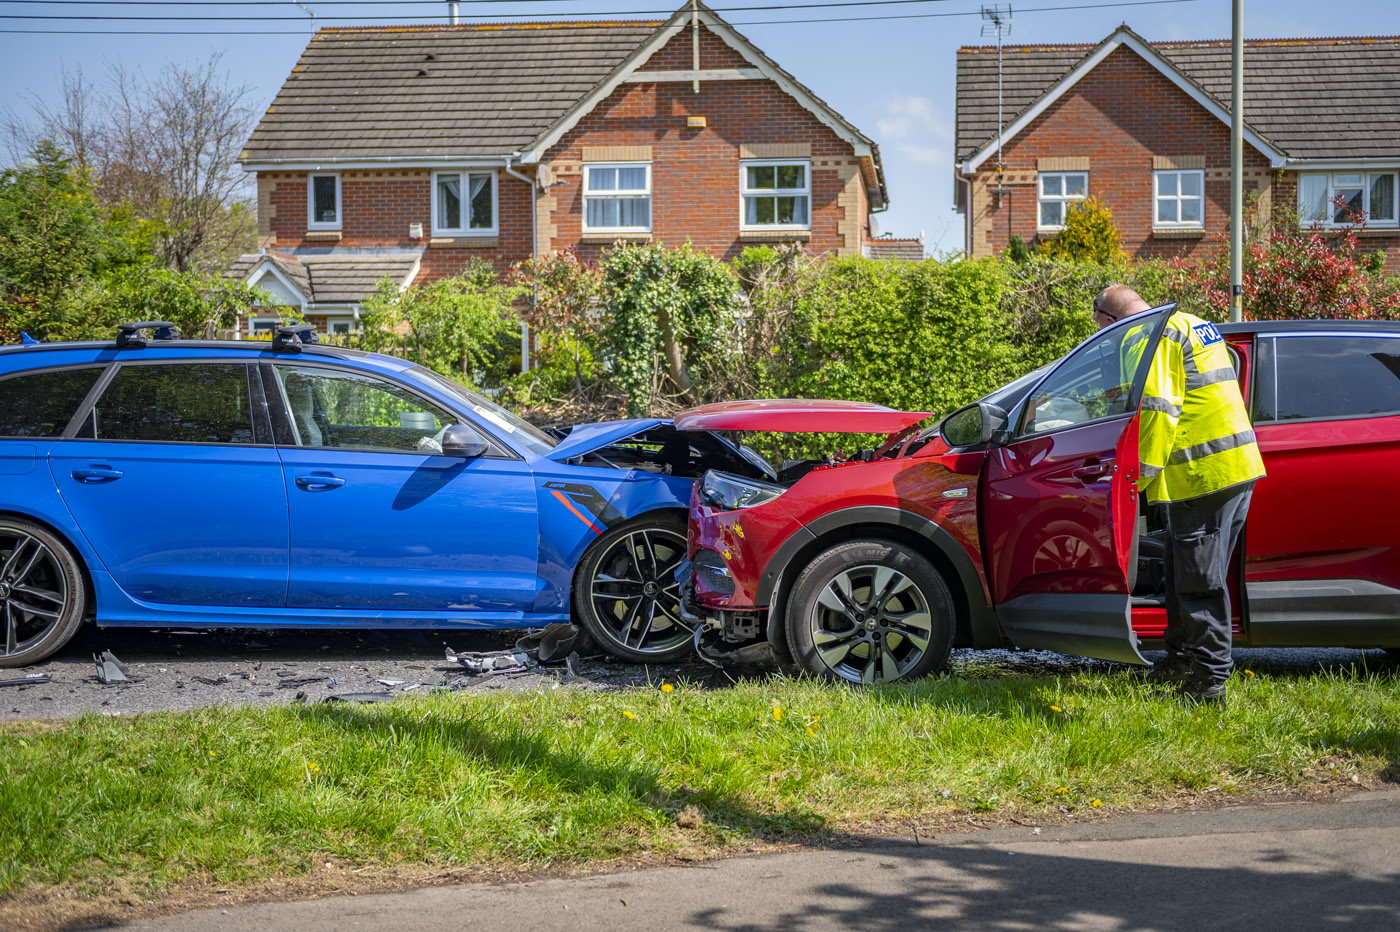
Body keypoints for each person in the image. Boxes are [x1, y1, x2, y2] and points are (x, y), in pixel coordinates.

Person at [1092, 285, 1266, 709]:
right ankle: (1180, 660)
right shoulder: (1194, 325)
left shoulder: (1144, 336)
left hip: (1201, 474)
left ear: (1109, 320)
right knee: (1179, 568)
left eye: (1102, 332)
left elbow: (1158, 410)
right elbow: (1197, 394)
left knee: (1198, 582)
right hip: (1233, 467)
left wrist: (1136, 480)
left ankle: (1208, 683)